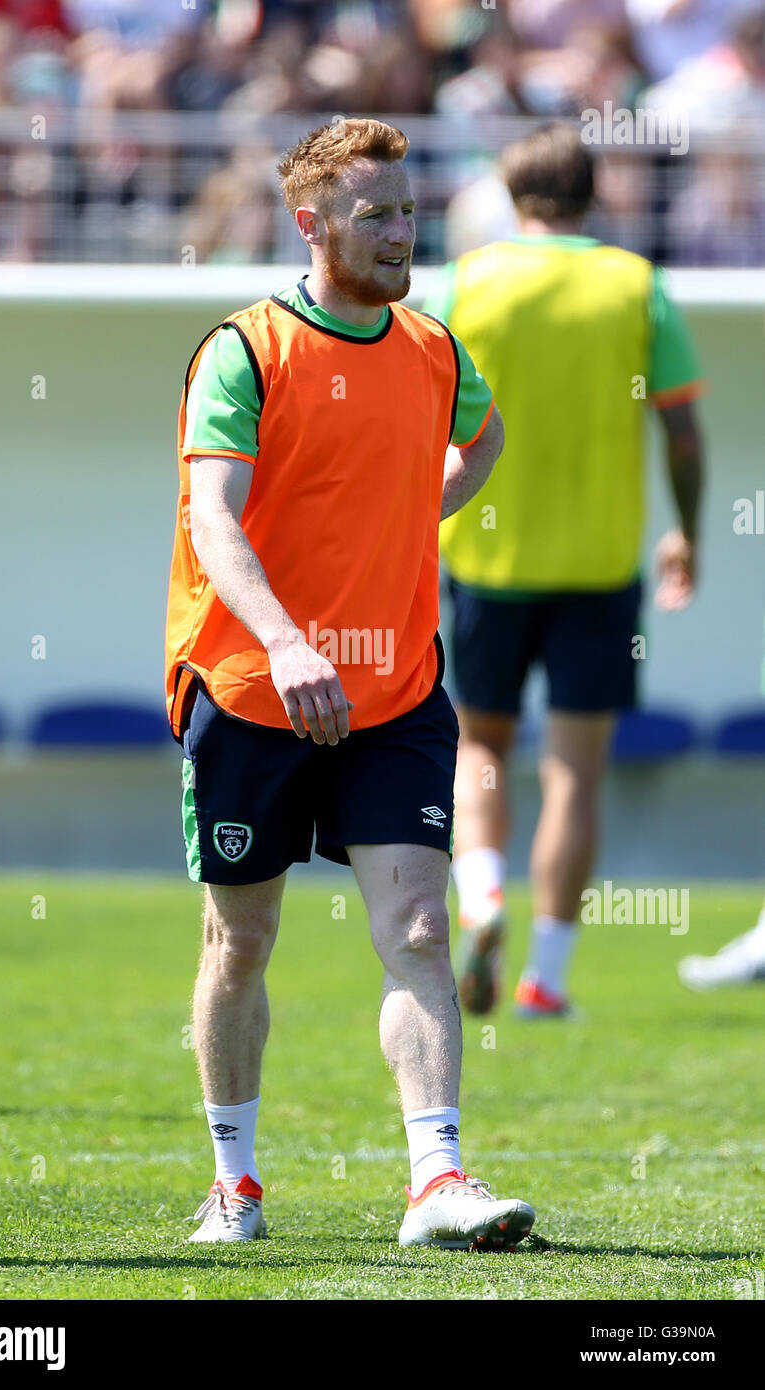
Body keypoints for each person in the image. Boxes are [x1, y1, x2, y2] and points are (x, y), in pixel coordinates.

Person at [164, 118, 535, 1248]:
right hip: (250, 686)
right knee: (242, 941)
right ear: (311, 225)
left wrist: (414, 509)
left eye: (408, 210)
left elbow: (486, 434)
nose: (397, 232)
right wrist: (284, 639)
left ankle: (436, 1180)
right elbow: (212, 521)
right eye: (373, 214)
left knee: (421, 928)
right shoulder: (245, 347)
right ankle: (234, 1184)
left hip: (395, 694)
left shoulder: (432, 347)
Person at [424, 121, 706, 1018]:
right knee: (574, 775)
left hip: (480, 556)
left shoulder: (466, 283)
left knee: (478, 747)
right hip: (598, 566)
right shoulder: (633, 284)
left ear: (510, 196)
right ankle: (544, 978)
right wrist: (687, 533)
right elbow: (683, 431)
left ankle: (483, 900)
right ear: (595, 194)